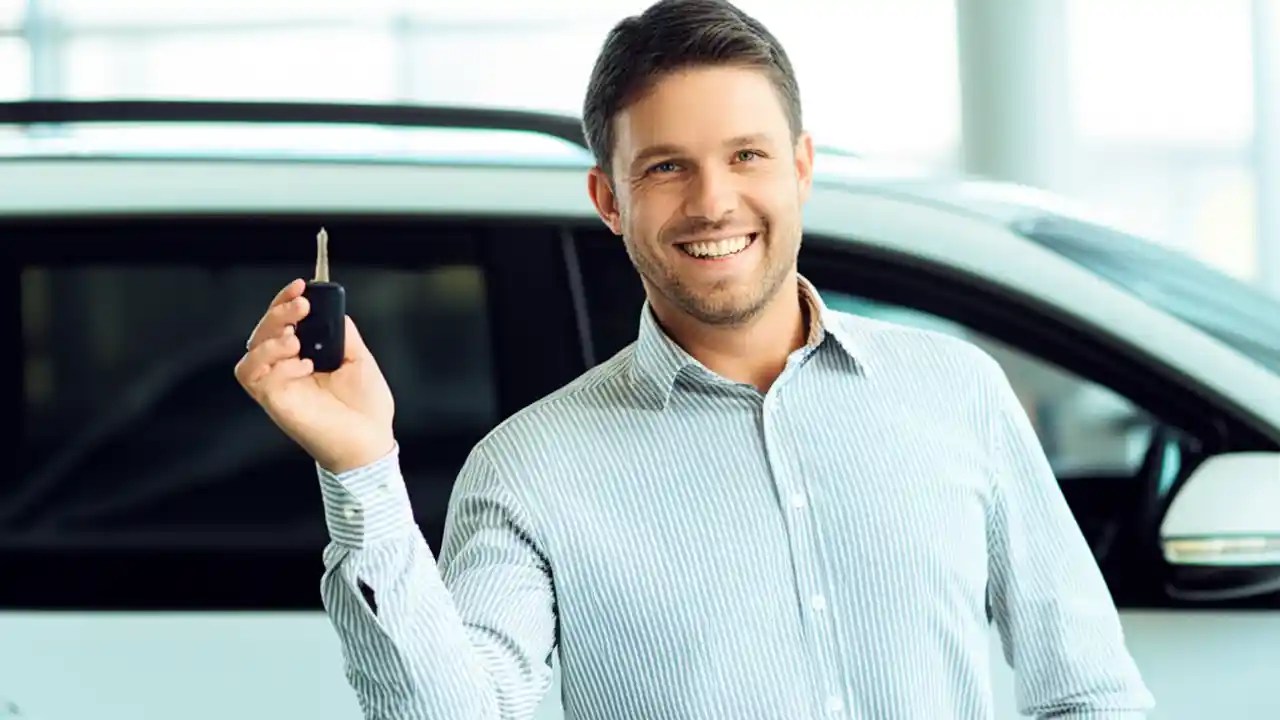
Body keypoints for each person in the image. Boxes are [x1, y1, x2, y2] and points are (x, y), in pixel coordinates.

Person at [234, 1, 1156, 718]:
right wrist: (362, 474)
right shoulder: (531, 468)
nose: (714, 203)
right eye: (667, 167)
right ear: (608, 197)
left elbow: (1092, 693)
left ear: (800, 165)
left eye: (745, 155)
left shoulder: (956, 394)